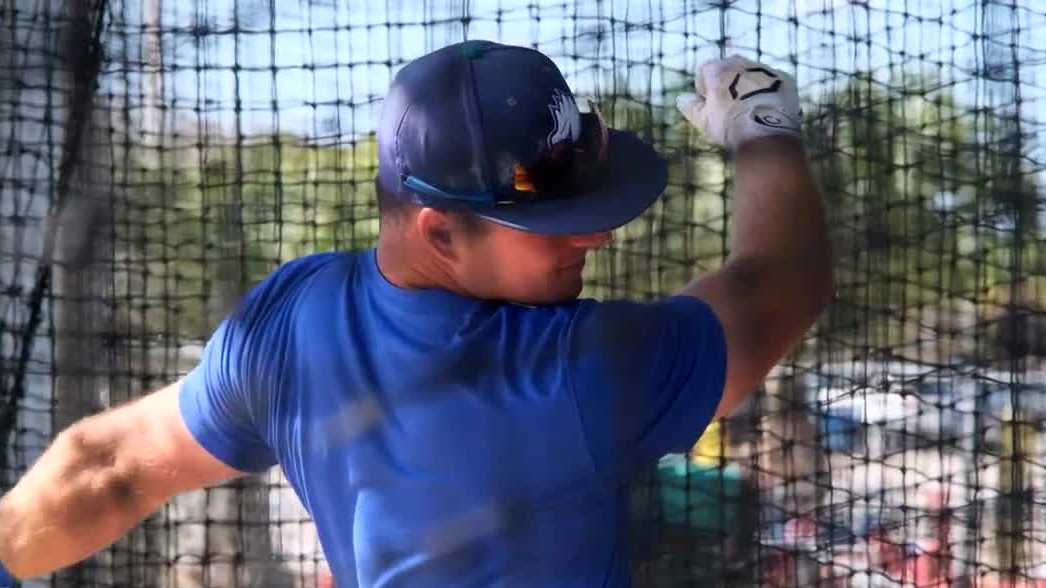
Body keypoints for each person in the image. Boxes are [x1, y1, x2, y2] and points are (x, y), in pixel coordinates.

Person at [0, 40, 831, 587]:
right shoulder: (571, 372)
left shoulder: (290, 323)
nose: (596, 236)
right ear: (439, 231)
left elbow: (109, 464)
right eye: (549, 224)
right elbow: (780, 285)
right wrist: (764, 129)